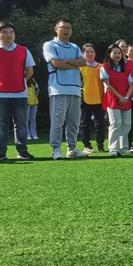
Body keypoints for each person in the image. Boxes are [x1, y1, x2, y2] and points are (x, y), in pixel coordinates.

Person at [0, 21, 35, 162]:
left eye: (11, 32)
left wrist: (21, 81)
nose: (8, 35)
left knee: (21, 124)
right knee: (1, 125)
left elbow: (29, 70)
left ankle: (22, 151)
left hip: (20, 93)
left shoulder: (24, 50)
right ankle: (0, 152)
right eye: (4, 32)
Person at [43, 18, 88, 160]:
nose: (66, 30)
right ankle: (56, 149)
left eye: (69, 27)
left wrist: (66, 61)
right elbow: (57, 64)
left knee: (74, 122)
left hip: (75, 88)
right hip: (58, 88)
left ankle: (72, 148)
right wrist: (74, 63)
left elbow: (83, 62)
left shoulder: (74, 47)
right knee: (58, 121)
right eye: (63, 27)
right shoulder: (50, 45)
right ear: (56, 29)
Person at [100, 44, 133, 157]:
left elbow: (131, 84)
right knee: (116, 123)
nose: (117, 55)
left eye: (119, 53)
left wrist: (126, 97)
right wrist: (119, 96)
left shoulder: (126, 67)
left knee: (126, 124)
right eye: (114, 53)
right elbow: (107, 85)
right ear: (109, 54)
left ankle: (123, 147)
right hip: (113, 99)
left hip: (126, 99)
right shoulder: (104, 67)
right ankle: (113, 148)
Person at [78, 43, 105, 154]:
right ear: (83, 54)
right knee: (85, 123)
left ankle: (100, 145)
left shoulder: (101, 67)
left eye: (92, 52)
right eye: (87, 52)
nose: (90, 54)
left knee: (100, 123)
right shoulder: (80, 66)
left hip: (99, 98)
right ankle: (87, 145)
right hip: (85, 97)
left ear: (95, 53)